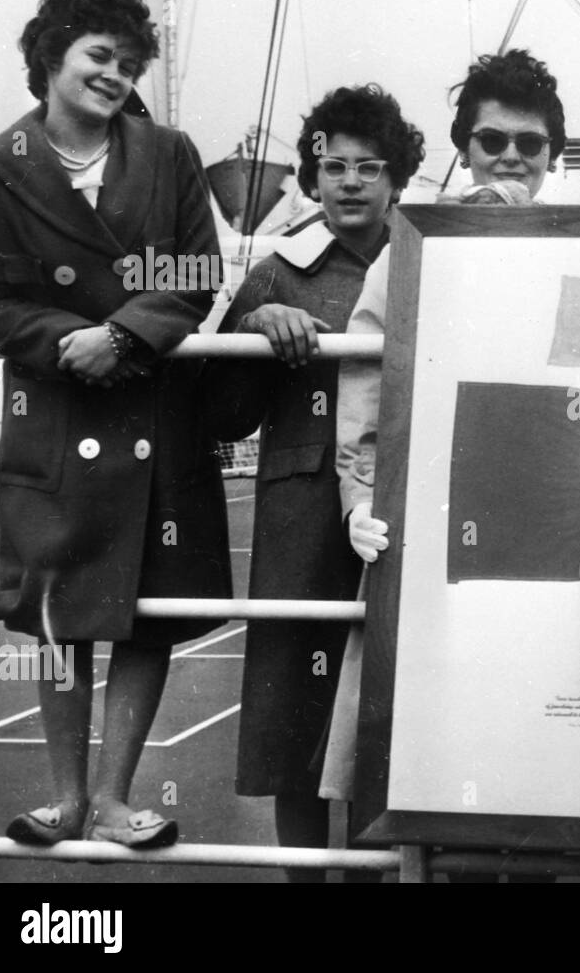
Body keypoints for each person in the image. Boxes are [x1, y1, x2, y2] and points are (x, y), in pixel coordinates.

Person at [0, 0, 230, 848]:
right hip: (53, 416)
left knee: (144, 608)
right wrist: (59, 340)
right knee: (55, 614)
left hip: (151, 405)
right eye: (97, 56)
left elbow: (199, 272)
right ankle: (65, 795)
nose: (114, 75)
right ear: (51, 56)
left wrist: (122, 336)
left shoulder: (170, 154)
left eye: (127, 63)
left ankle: (115, 797)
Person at [329, 50, 564, 882]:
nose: (509, 157)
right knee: (420, 751)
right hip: (433, 532)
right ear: (463, 149)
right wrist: (360, 499)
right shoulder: (409, 248)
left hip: (549, 525)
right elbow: (363, 374)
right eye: (491, 139)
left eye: (528, 145)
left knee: (544, 736)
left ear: (552, 158)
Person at [206, 84, 424, 881]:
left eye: (371, 167)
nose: (352, 182)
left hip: (395, 502)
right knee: (294, 714)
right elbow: (224, 419)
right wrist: (250, 326)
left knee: (390, 703)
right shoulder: (277, 271)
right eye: (334, 166)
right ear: (311, 175)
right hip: (300, 512)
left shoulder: (425, 258)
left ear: (398, 179)